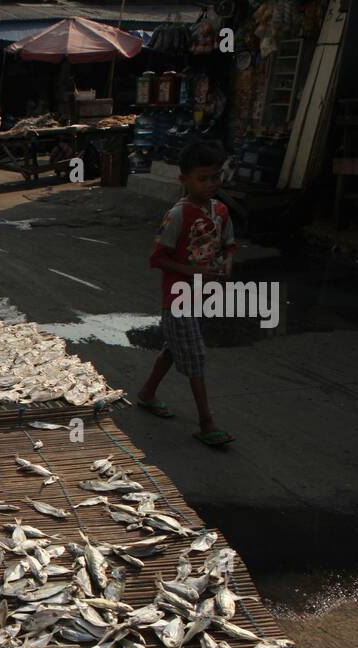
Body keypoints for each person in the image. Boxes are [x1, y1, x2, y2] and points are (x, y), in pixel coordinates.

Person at [136, 140, 236, 446]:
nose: (209, 184)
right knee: (194, 354)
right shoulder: (178, 215)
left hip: (203, 297)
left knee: (175, 347)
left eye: (215, 177)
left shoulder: (220, 210)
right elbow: (158, 258)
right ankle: (206, 421)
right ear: (184, 180)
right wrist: (191, 271)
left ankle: (147, 393)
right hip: (178, 298)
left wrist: (228, 263)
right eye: (202, 178)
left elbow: (229, 244)